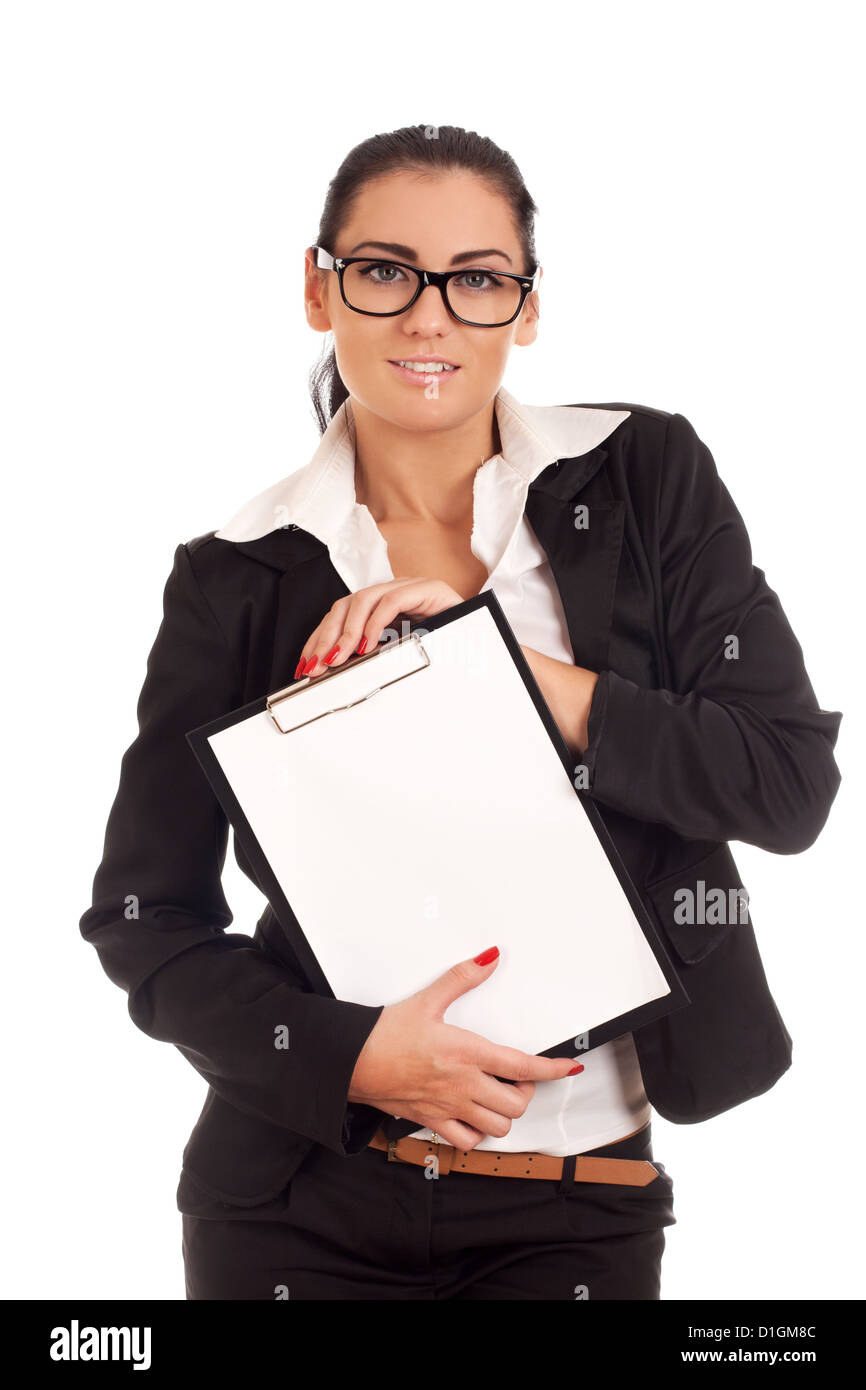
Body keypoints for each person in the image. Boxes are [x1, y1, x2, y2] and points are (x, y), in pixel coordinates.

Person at [79, 124, 843, 1301]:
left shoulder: (642, 477)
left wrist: (499, 668)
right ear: (316, 287)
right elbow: (144, 913)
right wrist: (351, 1056)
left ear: (524, 309)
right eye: (384, 270)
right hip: (291, 1203)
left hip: (574, 1202)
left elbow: (785, 786)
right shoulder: (237, 571)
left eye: (477, 279)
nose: (427, 317)